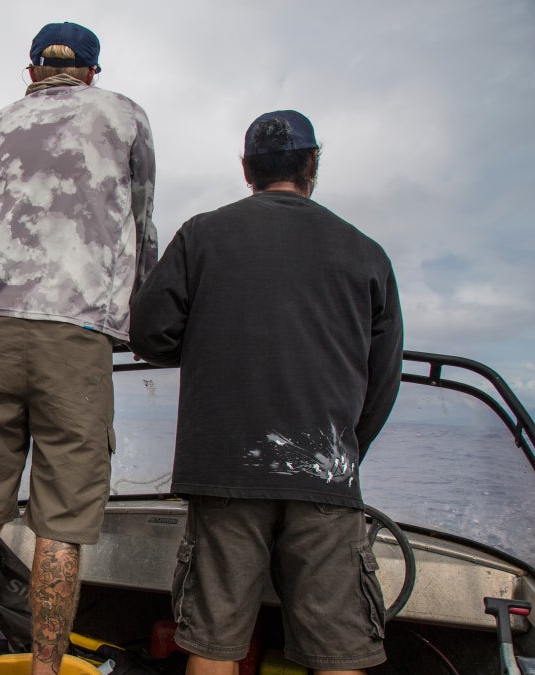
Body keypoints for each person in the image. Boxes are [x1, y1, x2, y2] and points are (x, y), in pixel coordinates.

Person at [127, 110, 404, 674]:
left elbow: (149, 333)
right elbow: (384, 379)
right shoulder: (367, 252)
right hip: (326, 472)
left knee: (212, 641)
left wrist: (208, 340)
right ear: (313, 164)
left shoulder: (202, 234)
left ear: (247, 169)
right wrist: (342, 452)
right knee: (338, 650)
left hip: (225, 467)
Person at [0, 21, 156, 675]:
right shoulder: (123, 120)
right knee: (60, 526)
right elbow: (141, 229)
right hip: (75, 337)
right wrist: (139, 323)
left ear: (33, 71)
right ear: (91, 72)